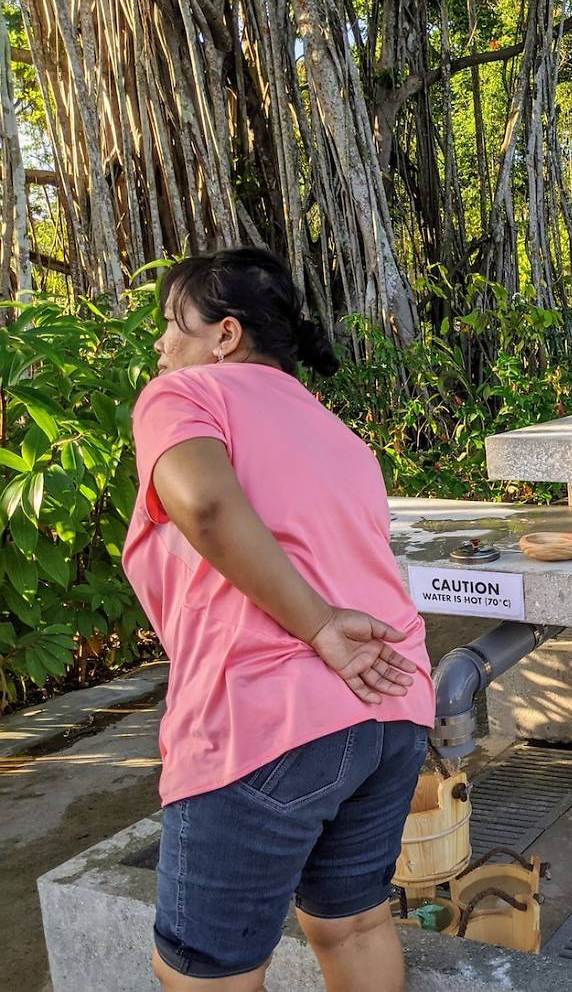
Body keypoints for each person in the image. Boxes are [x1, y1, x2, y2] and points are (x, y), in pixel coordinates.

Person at [122, 248, 435, 991]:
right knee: (353, 922)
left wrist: (320, 625)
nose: (161, 344)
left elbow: (204, 503)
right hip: (393, 704)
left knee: (207, 975)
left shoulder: (184, 394)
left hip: (269, 710)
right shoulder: (338, 433)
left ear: (225, 335)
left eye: (173, 323)